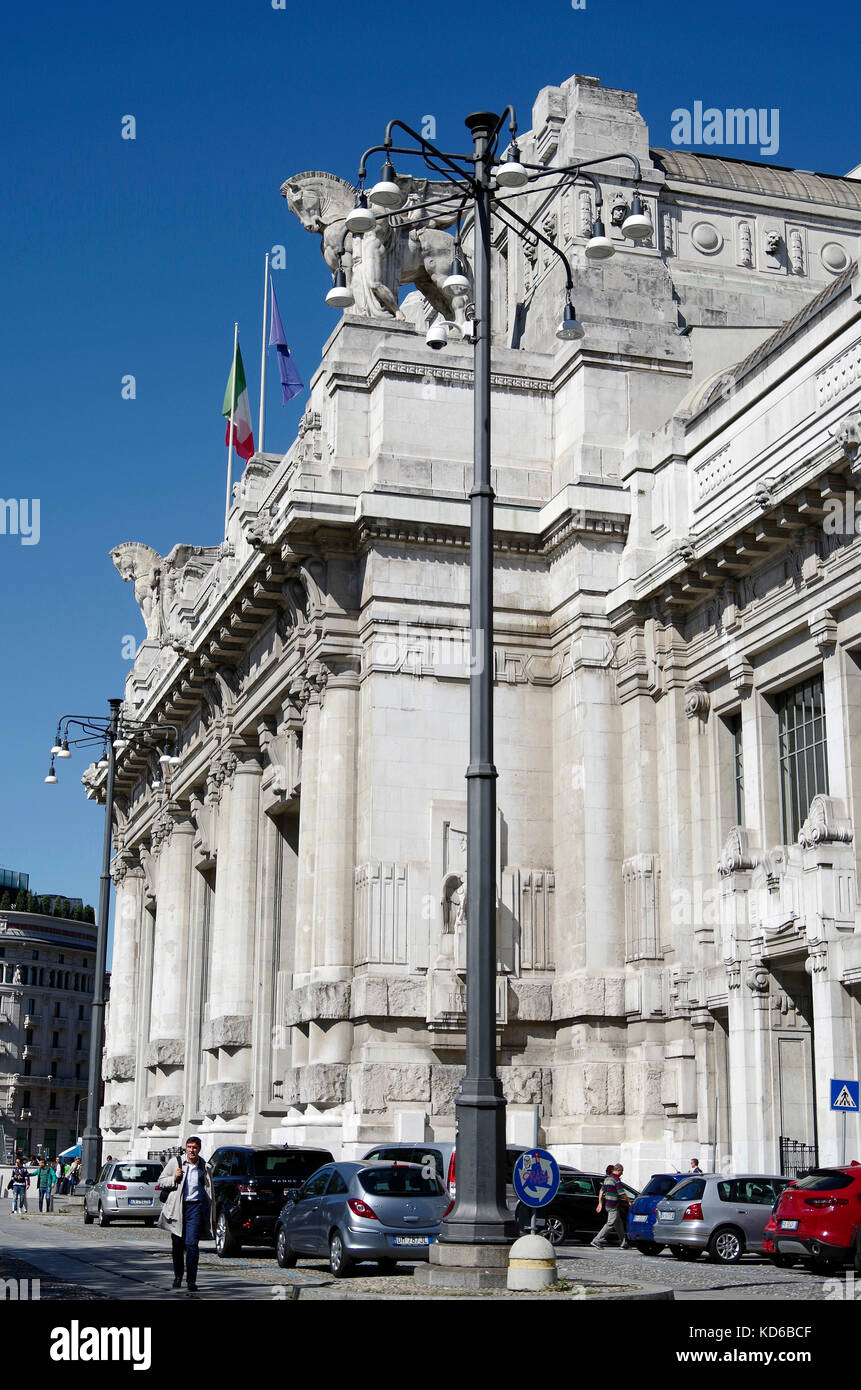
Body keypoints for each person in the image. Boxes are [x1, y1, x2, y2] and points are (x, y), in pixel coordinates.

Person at [157, 1136, 215, 1293]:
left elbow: (210, 1193)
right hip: (178, 1207)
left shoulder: (204, 1166)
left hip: (195, 1208)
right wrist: (173, 1178)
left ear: (199, 1149)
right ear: (186, 1148)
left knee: (191, 1245)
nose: (192, 1150)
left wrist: (211, 1215)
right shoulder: (176, 1162)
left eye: (194, 1147)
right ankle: (178, 1276)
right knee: (177, 1244)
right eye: (189, 1147)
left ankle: (191, 1281)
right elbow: (161, 1181)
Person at [591, 1163, 631, 1250]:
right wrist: (628, 1201)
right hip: (613, 1205)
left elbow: (601, 1191)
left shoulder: (607, 1179)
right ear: (618, 1170)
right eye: (622, 1171)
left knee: (619, 1224)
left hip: (608, 1204)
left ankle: (623, 1243)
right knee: (610, 1223)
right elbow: (622, 1193)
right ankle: (597, 1240)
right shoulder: (616, 1180)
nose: (622, 1173)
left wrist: (600, 1203)